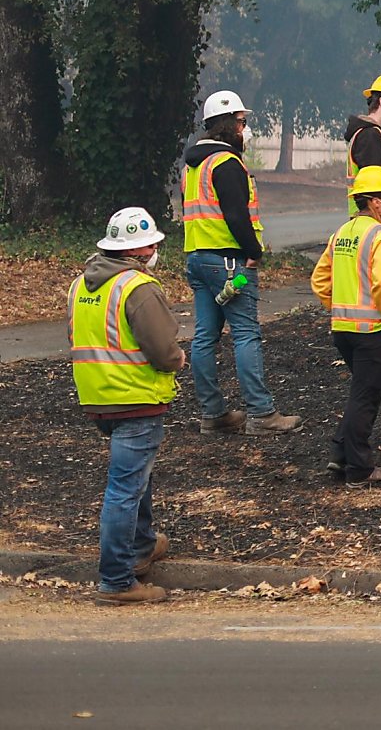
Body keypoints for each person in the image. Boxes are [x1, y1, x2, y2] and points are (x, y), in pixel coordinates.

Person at [71, 207, 185, 605]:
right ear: (141, 249)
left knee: (137, 478)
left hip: (98, 397)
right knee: (124, 488)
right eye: (153, 243)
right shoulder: (137, 287)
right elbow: (162, 350)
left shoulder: (81, 285)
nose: (156, 249)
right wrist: (177, 360)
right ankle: (117, 579)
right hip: (136, 397)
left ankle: (142, 545)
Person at [180, 89, 299, 434]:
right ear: (228, 125)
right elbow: (234, 215)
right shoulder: (227, 163)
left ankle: (213, 415)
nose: (245, 129)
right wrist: (255, 251)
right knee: (246, 333)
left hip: (198, 258)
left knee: (204, 336)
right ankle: (262, 415)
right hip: (229, 263)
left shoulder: (194, 165)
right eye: (242, 122)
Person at [312, 166, 381, 486]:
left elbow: (319, 281)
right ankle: (360, 469)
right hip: (373, 332)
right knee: (367, 398)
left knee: (360, 392)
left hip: (343, 330)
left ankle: (340, 454)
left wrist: (338, 308)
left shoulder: (342, 233)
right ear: (374, 202)